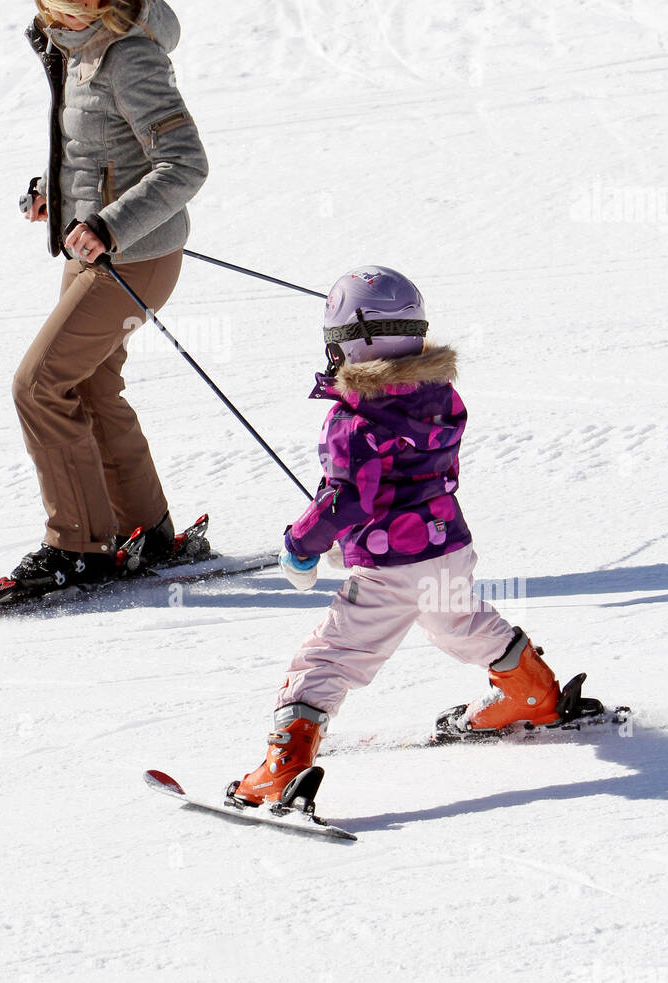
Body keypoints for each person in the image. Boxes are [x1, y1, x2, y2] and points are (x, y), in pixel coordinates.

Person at [230, 265, 566, 807]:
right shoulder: (440, 396)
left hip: (391, 569)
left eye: (335, 345)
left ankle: (283, 767)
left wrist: (301, 544)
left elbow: (350, 498)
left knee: (331, 656)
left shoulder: (352, 419)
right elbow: (400, 476)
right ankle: (532, 693)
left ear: (358, 344)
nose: (331, 357)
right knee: (458, 622)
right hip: (447, 546)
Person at [0, 0, 208, 605]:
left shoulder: (128, 53)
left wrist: (108, 224)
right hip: (96, 251)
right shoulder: (72, 50)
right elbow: (100, 148)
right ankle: (144, 529)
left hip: (133, 255)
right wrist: (55, 195)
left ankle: (78, 547)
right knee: (87, 387)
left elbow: (185, 163)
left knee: (38, 385)